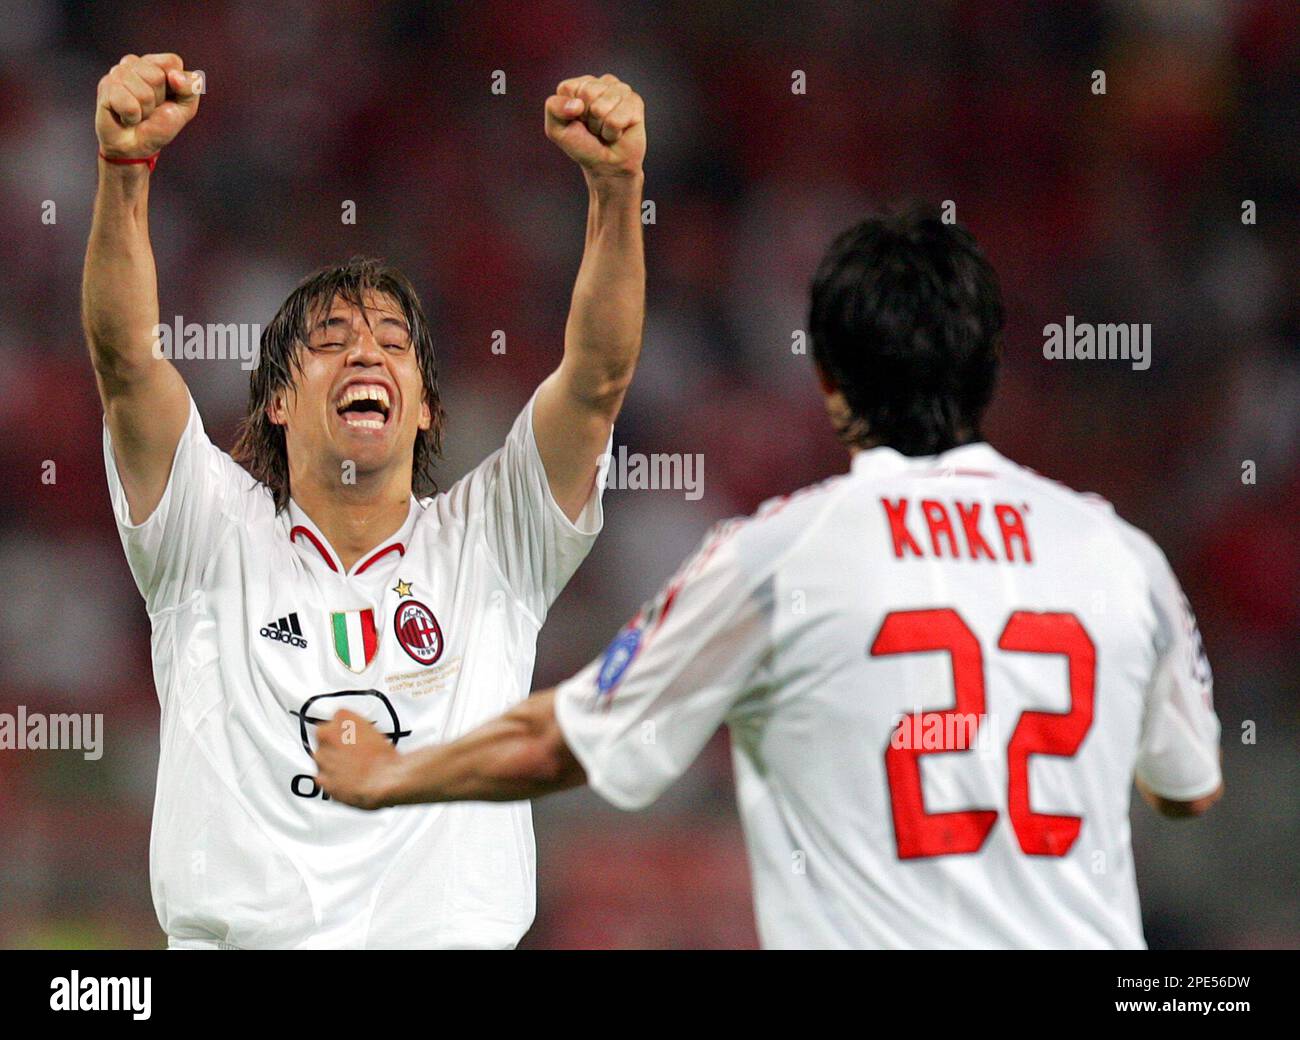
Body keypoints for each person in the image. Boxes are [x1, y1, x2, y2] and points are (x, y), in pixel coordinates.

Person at [315, 207, 1223, 950]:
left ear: (829, 378)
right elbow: (1185, 787)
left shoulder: (783, 554)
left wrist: (388, 775)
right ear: (989, 367)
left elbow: (567, 739)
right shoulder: (1119, 552)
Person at [85, 53, 646, 948]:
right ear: (277, 399)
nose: (365, 355)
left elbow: (598, 379)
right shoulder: (205, 529)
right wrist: (124, 173)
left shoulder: (495, 543)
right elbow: (125, 365)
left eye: (393, 342)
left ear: (424, 406)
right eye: (332, 340)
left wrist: (618, 191)